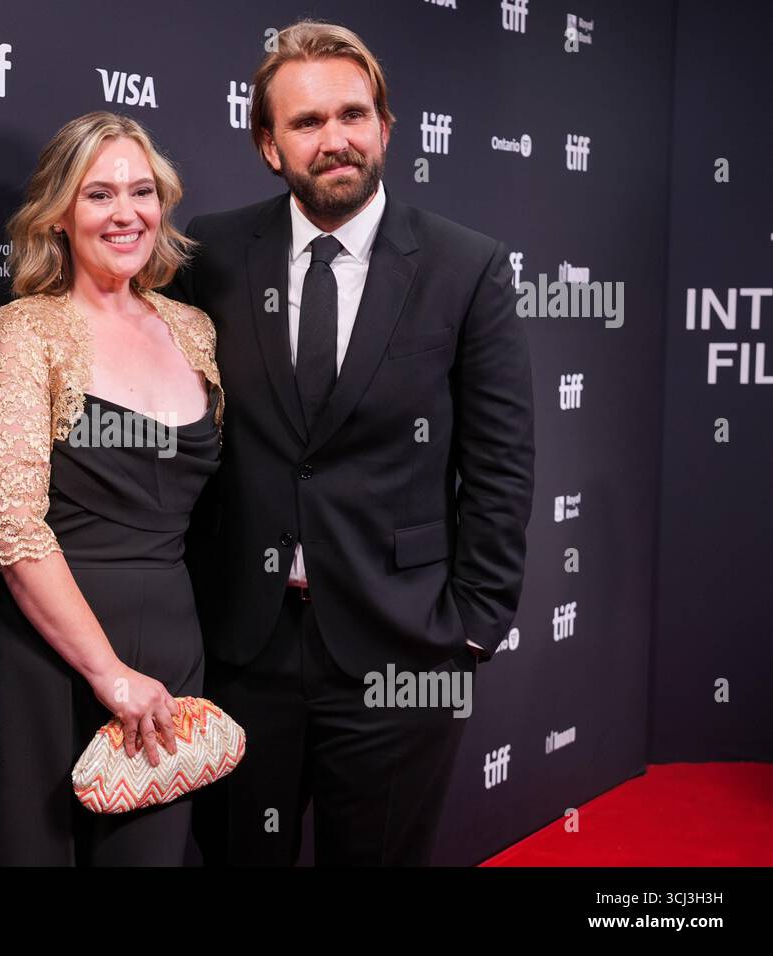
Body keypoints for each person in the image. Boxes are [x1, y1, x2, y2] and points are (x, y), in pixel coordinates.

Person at [167, 20, 535, 865]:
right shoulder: (210, 256)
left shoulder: (464, 266)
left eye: (352, 114)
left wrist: (472, 627)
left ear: (384, 127)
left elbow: (502, 461)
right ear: (269, 144)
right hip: (241, 646)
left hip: (403, 647)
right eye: (305, 122)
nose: (335, 139)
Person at [0, 112, 221, 865]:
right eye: (98, 194)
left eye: (142, 191)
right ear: (59, 215)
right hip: (49, 657)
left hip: (172, 644)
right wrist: (108, 674)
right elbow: (9, 526)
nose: (125, 212)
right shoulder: (24, 331)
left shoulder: (195, 329)